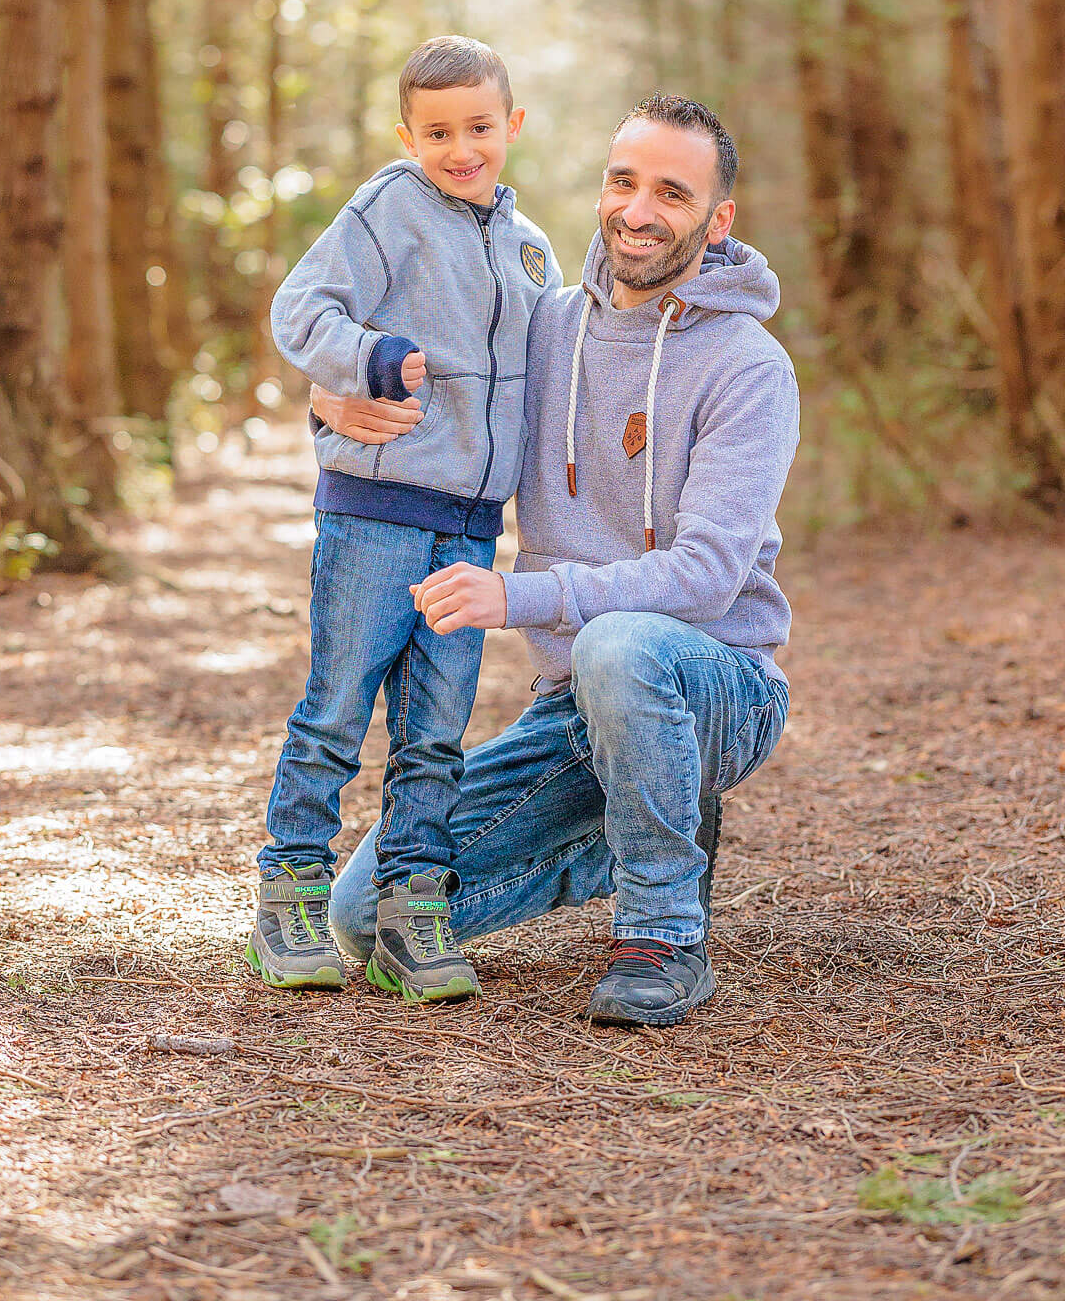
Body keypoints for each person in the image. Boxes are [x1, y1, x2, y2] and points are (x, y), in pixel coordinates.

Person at [314, 94, 798, 1027]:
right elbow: (430, 398)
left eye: (671, 191)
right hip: (574, 702)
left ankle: (661, 935)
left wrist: (519, 595)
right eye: (623, 182)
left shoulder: (748, 366)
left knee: (620, 644)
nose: (638, 211)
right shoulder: (542, 328)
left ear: (717, 218)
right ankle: (640, 824)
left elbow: (705, 577)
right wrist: (334, 404)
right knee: (368, 919)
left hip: (718, 683)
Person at [247, 35, 560, 1004]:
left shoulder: (528, 246)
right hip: (376, 513)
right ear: (406, 133)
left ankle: (410, 908)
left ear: (512, 124)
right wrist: (364, 362)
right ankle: (289, 893)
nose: (460, 147)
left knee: (436, 730)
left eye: (478, 127)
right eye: (437, 131)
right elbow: (299, 308)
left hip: (468, 530)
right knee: (338, 707)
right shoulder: (388, 206)